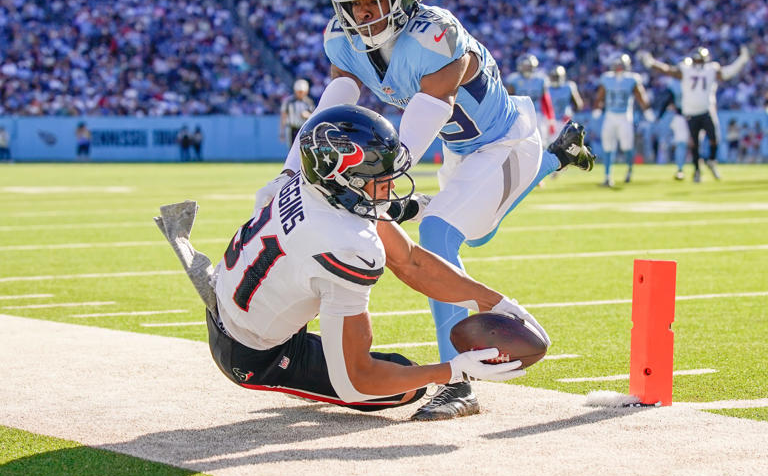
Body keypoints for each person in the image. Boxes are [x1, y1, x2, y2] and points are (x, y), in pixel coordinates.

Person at [254, 0, 592, 421]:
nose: (364, 16)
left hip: (502, 142)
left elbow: (423, 119)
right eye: (354, 6)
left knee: (437, 234)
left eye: (374, 1)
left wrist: (382, 177)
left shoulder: (435, 34)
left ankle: (461, 385)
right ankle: (559, 158)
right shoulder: (343, 39)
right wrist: (289, 172)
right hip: (460, 151)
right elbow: (334, 104)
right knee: (475, 231)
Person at [156, 106, 548, 414]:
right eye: (381, 177)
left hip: (232, 305)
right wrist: (452, 371)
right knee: (404, 386)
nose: (392, 186)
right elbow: (355, 380)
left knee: (387, 360)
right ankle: (289, 377)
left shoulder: (311, 185)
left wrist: (493, 301)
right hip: (255, 354)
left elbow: (410, 261)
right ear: (345, 179)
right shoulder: (344, 242)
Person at [640, 45, 750, 182]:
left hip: (706, 109)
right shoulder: (686, 70)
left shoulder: (711, 70)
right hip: (691, 111)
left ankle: (711, 161)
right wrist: (651, 63)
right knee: (694, 143)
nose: (698, 63)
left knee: (714, 138)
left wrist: (741, 60)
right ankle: (697, 170)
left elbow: (727, 73)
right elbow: (668, 70)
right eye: (696, 60)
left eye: (700, 60)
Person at [592, 53, 654, 187]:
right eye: (617, 65)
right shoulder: (607, 78)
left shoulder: (632, 79)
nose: (619, 68)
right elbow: (600, 95)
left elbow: (640, 95)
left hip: (625, 115)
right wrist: (597, 108)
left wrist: (647, 110)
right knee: (608, 145)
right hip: (610, 115)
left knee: (627, 146)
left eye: (621, 66)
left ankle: (629, 170)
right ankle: (608, 176)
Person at [506, 54, 556, 145]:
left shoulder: (541, 80)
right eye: (525, 66)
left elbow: (546, 100)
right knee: (521, 143)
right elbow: (508, 101)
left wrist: (550, 118)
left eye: (529, 66)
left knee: (541, 142)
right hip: (520, 115)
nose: (527, 69)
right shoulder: (514, 80)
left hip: (537, 114)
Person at [280, 78, 316, 145]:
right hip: (292, 129)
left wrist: (308, 115)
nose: (300, 94)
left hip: (304, 129)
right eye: (299, 91)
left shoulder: (309, 102)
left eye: (302, 92)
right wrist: (282, 132)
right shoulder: (288, 102)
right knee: (292, 149)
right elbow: (283, 116)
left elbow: (313, 116)